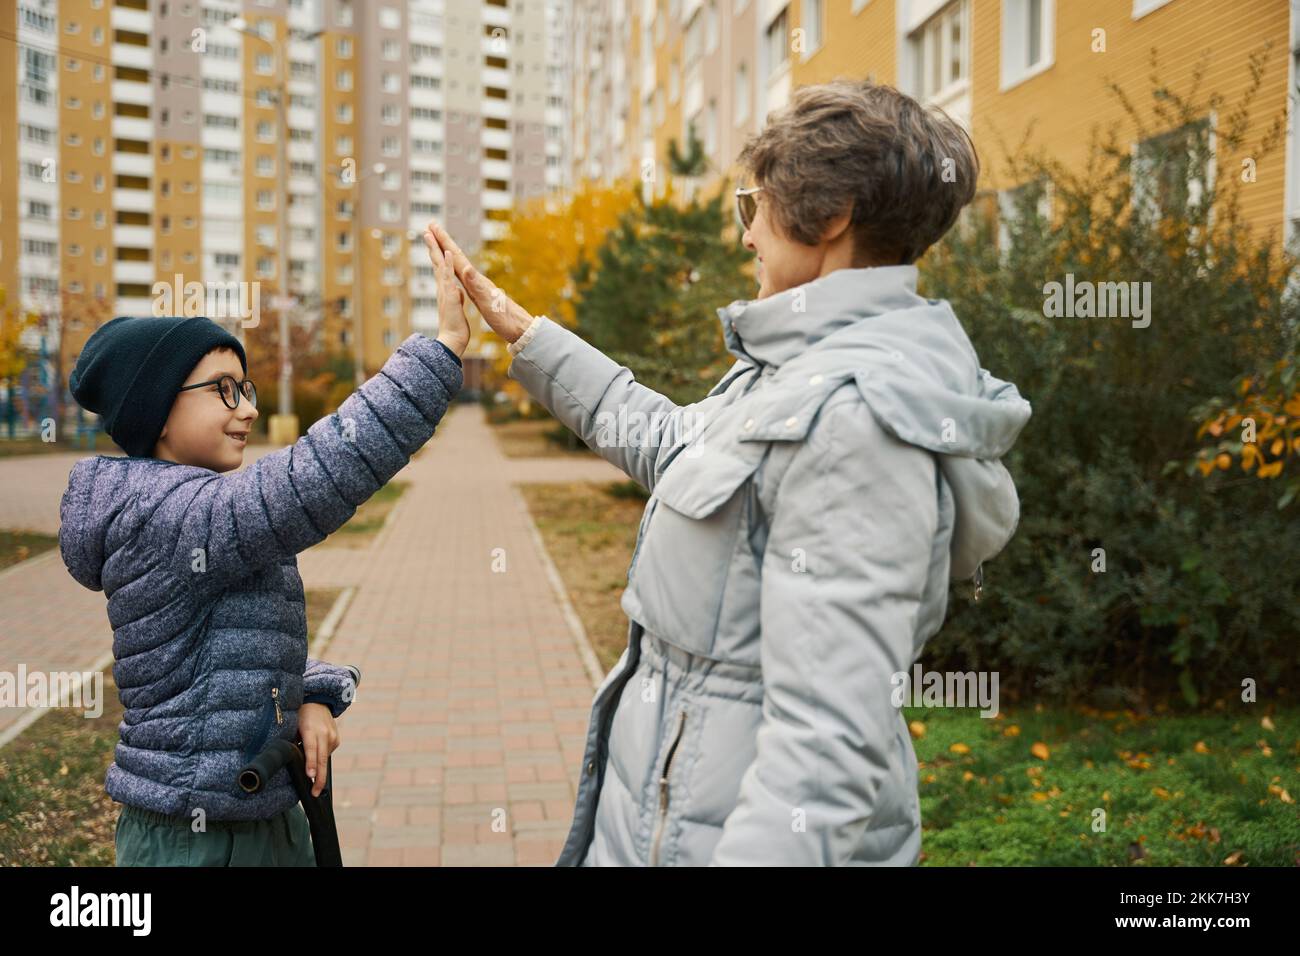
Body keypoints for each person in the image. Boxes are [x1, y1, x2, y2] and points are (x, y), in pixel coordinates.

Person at [428, 79, 1033, 866]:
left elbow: (825, 751)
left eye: (756, 206)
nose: (746, 235)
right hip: (673, 813)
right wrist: (525, 332)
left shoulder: (854, 419)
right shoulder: (791, 374)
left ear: (834, 216)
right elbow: (668, 443)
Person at [58, 230, 469, 865]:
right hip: (194, 840)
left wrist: (311, 693)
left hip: (263, 819)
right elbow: (310, 477)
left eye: (245, 387)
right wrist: (439, 352)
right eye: (223, 389)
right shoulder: (164, 514)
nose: (245, 407)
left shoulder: (201, 507)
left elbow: (234, 650)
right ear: (156, 413)